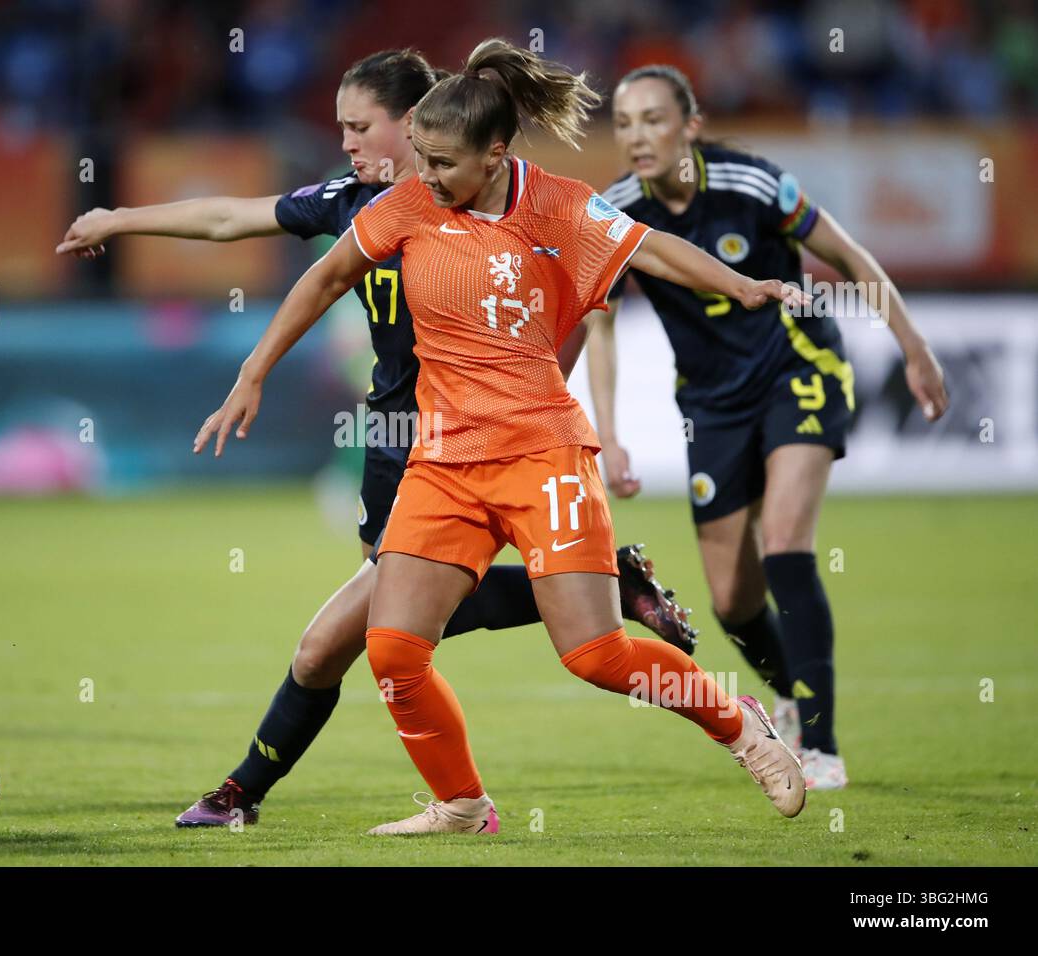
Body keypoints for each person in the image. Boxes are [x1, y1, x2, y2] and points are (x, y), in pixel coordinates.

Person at [58, 51, 696, 827]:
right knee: (392, 628)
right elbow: (232, 218)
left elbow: (580, 297)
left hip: (461, 446)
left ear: (414, 122)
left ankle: (242, 795)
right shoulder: (355, 206)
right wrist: (120, 219)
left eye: (361, 127)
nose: (349, 144)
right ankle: (599, 592)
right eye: (341, 129)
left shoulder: (496, 205)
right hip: (395, 452)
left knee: (329, 645)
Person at [196, 39, 810, 835]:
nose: (427, 177)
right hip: (444, 460)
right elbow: (325, 277)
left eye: (444, 163)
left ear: (494, 155)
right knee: (393, 653)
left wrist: (742, 283)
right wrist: (253, 371)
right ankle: (462, 804)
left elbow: (650, 248)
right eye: (421, 157)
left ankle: (737, 724)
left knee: (595, 657)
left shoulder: (558, 203)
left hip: (542, 452)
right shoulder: (410, 203)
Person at [595, 65, 950, 789]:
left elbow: (849, 254)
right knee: (731, 599)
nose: (637, 135)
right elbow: (599, 325)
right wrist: (608, 429)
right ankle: (788, 694)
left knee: (787, 544)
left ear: (690, 125)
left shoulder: (751, 183)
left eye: (654, 119)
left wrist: (914, 347)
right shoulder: (615, 212)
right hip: (710, 402)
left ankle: (819, 744)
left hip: (799, 366)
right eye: (625, 121)